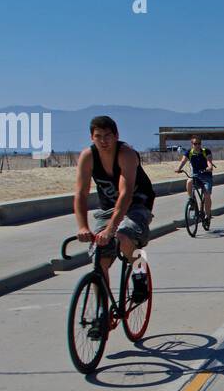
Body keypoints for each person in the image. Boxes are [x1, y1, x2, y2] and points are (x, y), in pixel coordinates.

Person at [74, 115, 156, 306]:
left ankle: (139, 272)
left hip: (137, 204)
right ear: (91, 137)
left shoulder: (126, 154)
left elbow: (125, 194)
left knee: (123, 235)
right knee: (99, 259)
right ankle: (101, 315)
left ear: (116, 135)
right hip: (108, 209)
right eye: (98, 136)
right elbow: (80, 194)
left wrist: (111, 230)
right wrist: (83, 227)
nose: (103, 141)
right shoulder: (88, 156)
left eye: (108, 136)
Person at [175, 135, 214, 212]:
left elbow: (209, 161)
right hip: (195, 176)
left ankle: (207, 215)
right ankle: (192, 200)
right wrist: (178, 169)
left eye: (199, 143)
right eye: (195, 144)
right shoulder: (189, 152)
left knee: (206, 196)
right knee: (189, 181)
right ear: (192, 144)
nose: (197, 145)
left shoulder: (206, 151)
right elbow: (183, 161)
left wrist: (209, 167)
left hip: (206, 176)